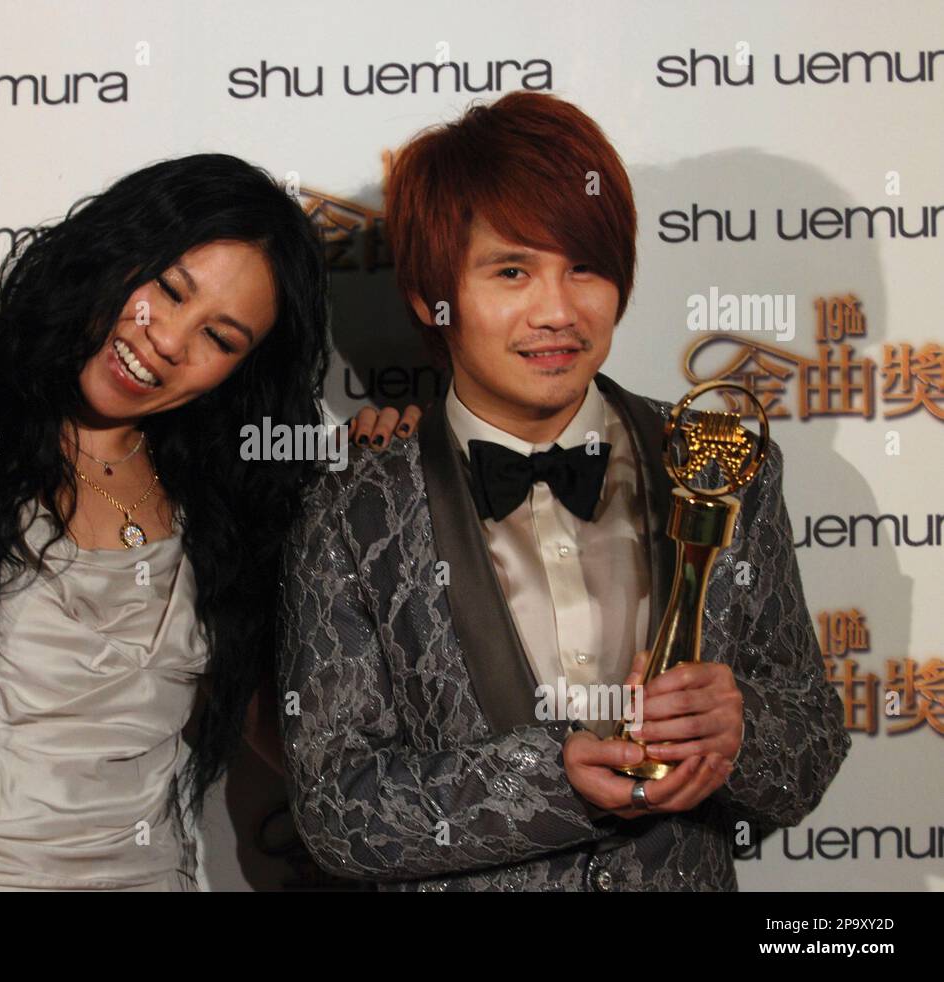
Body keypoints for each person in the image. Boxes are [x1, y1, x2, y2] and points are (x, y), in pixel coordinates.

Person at [0, 152, 418, 891]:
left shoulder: (224, 506)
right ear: (112, 255)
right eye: (168, 289)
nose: (170, 339)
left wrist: (385, 521)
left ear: (242, 371)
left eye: (220, 338)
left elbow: (305, 745)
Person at [276, 92, 850, 891]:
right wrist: (555, 779)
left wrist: (741, 730)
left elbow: (812, 748)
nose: (558, 311)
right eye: (512, 271)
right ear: (429, 296)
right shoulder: (352, 509)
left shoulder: (722, 464)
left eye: (585, 267)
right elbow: (338, 810)